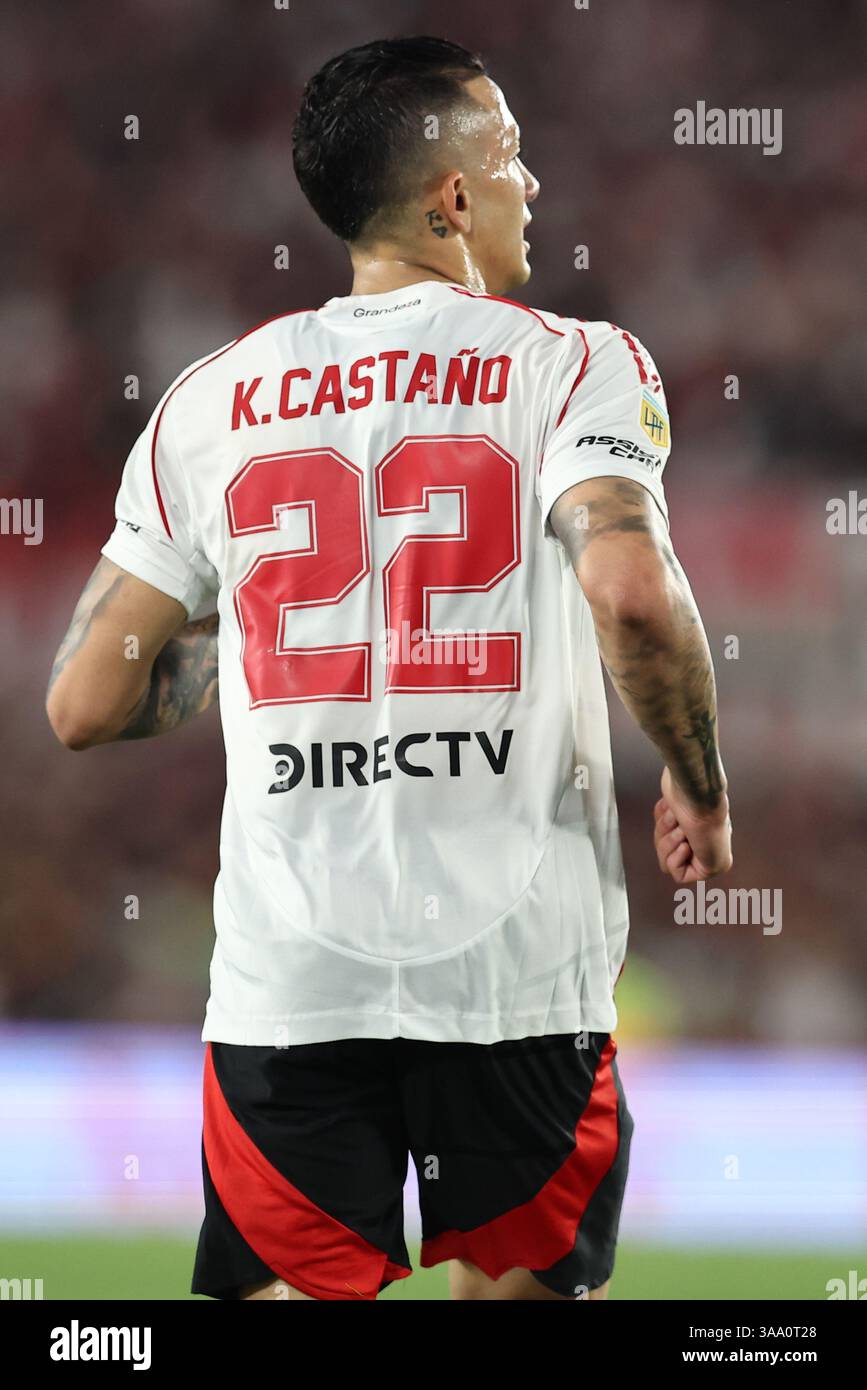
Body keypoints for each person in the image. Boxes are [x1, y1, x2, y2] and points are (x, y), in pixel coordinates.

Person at [46, 36, 732, 1301]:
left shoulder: (209, 398)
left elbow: (83, 701)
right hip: (522, 971)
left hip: (289, 977)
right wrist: (699, 781)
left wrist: (256, 643)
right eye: (514, 158)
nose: (536, 185)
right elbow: (630, 591)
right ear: (455, 199)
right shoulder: (575, 362)